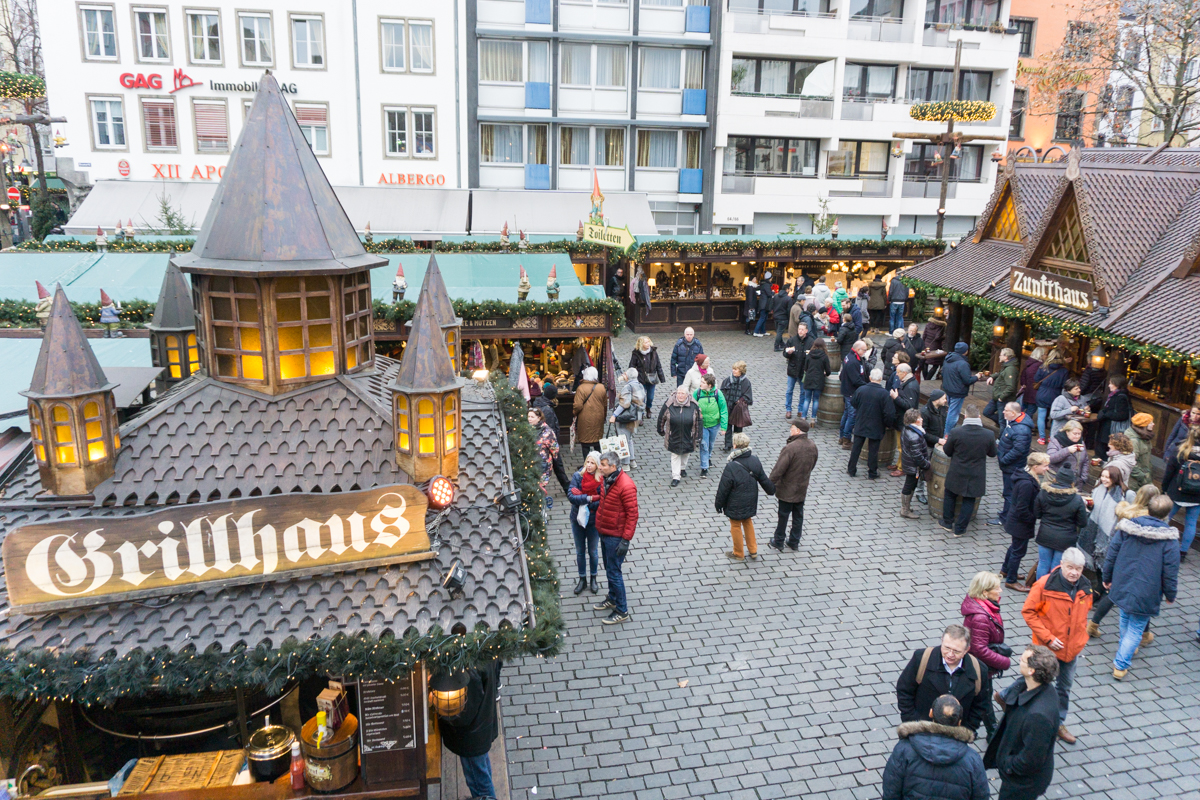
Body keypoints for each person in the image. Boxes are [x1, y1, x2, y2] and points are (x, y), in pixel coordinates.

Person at [1011, 549, 1092, 743]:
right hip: (1047, 649)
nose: (1074, 572)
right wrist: (1047, 637)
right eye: (1070, 567)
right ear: (1062, 564)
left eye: (1078, 569)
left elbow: (1083, 614)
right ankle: (1010, 701)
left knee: (1064, 688)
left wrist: (1080, 638)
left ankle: (1058, 723)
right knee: (1034, 681)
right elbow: (1030, 613)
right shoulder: (1045, 587)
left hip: (1071, 650)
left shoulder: (1085, 587)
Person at [1103, 494, 1179, 678]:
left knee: (1125, 616)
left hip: (1123, 581)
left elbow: (1111, 554)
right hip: (1148, 589)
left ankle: (1125, 648)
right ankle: (1120, 664)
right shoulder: (1169, 541)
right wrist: (1170, 594)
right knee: (1136, 627)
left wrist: (1107, 576)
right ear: (1166, 514)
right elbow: (1170, 572)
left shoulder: (1126, 529)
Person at [983, 646, 1061, 800]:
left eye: (1023, 660)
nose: (1019, 660)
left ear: (1032, 671)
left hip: (1022, 784)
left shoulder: (1038, 716)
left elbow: (1030, 760)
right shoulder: (1034, 686)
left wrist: (1007, 764)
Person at [882, 692, 987, 800]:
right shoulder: (972, 760)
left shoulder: (904, 749)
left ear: (931, 713)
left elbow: (891, 791)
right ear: (959, 722)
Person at [1089, 484, 1159, 636]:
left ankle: (1093, 625)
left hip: (1122, 561)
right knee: (1140, 599)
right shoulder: (1156, 521)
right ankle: (1141, 635)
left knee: (1113, 594)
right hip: (1143, 565)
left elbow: (1114, 542)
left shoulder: (1125, 513)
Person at [896, 625, 988, 732]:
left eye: (956, 651)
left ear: (966, 650)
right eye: (946, 648)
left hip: (956, 735)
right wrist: (912, 721)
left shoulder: (979, 670)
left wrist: (968, 730)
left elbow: (981, 705)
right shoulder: (921, 658)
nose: (950, 654)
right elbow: (904, 690)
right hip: (922, 731)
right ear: (942, 641)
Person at [438, 659, 503, 800]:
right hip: (480, 728)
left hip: (471, 736)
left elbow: (462, 714)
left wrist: (439, 706)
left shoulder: (468, 671)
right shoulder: (481, 652)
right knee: (482, 770)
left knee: (479, 781)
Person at [1079, 467, 1133, 635]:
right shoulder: (1098, 488)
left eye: (1107, 477)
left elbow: (1130, 513)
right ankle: (1100, 592)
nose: (1103, 480)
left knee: (1105, 565)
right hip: (1094, 532)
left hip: (1111, 536)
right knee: (1098, 566)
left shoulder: (1126, 494)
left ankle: (1101, 594)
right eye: (1102, 476)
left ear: (1116, 478)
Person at [961, 571, 1011, 740]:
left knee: (982, 696)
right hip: (980, 666)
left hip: (980, 665)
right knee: (983, 697)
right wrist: (1003, 661)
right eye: (997, 588)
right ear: (984, 593)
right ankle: (992, 732)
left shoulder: (985, 607)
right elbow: (979, 649)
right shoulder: (981, 617)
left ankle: (990, 730)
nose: (1000, 591)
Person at [593, 451, 639, 625]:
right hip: (605, 531)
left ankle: (622, 609)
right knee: (609, 568)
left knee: (614, 572)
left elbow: (632, 515)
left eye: (603, 465)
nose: (600, 467)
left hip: (615, 536)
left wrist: (625, 540)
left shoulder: (626, 485)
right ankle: (612, 598)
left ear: (613, 466)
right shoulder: (607, 479)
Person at [714, 432, 776, 560]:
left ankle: (738, 553)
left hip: (735, 501)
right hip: (751, 498)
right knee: (748, 521)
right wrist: (772, 490)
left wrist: (718, 504)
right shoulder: (755, 460)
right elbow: (764, 479)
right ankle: (753, 550)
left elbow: (723, 489)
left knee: (735, 525)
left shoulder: (731, 466)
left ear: (735, 445)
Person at [940, 404, 996, 537]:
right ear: (979, 417)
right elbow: (993, 454)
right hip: (976, 472)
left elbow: (947, 451)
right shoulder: (988, 434)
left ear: (965, 416)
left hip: (957, 470)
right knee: (969, 499)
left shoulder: (956, 432)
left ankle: (947, 522)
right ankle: (960, 529)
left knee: (950, 495)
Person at [1001, 453, 1052, 591]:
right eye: (1045, 466)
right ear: (1035, 467)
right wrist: (1032, 518)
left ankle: (1006, 570)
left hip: (1017, 521)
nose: (1047, 469)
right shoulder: (1027, 484)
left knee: (1014, 547)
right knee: (1018, 551)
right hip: (1021, 523)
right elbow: (1022, 508)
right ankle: (1011, 580)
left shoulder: (1026, 477)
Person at [769, 417, 818, 550]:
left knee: (783, 515)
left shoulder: (790, 448)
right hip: (802, 487)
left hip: (787, 488)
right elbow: (813, 464)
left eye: (792, 427)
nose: (790, 429)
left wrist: (769, 484)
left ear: (797, 430)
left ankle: (778, 540)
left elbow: (779, 469)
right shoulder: (812, 446)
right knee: (798, 515)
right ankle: (794, 541)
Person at [1033, 465, 1090, 579]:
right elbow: (1082, 523)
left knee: (1043, 563)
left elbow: (1037, 514)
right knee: (1057, 566)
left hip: (1045, 534)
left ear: (1056, 479)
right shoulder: (1076, 499)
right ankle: (1052, 592)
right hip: (1065, 538)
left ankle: (1040, 590)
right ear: (1071, 482)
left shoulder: (1043, 493)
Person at [848, 368, 895, 480]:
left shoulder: (861, 389)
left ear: (870, 378)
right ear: (880, 379)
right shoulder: (884, 394)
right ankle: (872, 472)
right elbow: (889, 412)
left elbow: (853, 402)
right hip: (876, 424)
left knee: (856, 447)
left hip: (861, 422)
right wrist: (888, 424)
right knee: (873, 450)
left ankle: (851, 469)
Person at [993, 402, 1035, 526]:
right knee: (1009, 492)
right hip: (1011, 465)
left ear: (1013, 413)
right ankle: (1006, 513)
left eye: (1005, 410)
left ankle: (1006, 518)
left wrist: (1004, 459)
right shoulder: (1015, 423)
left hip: (1012, 467)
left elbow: (1018, 450)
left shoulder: (1021, 429)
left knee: (1010, 493)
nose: (1003, 412)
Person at [567, 452, 603, 595]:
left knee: (593, 552)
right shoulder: (578, 476)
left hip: (593, 521)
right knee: (580, 551)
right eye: (587, 462)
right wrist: (589, 498)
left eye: (592, 463)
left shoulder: (601, 480)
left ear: (597, 465)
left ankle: (593, 578)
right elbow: (571, 496)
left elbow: (602, 501)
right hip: (577, 519)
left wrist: (581, 498)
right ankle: (582, 579)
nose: (589, 465)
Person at [1163, 425, 1200, 560]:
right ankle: (1183, 553)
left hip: (1177, 492)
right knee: (1191, 523)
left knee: (1166, 517)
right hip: (1197, 495)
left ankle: (1159, 542)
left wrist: (1165, 488)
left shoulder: (1180, 450)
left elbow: (1169, 472)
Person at [658, 386, 702, 487]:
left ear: (687, 395)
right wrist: (660, 430)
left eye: (683, 394)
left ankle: (682, 468)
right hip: (673, 435)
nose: (680, 395)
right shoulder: (669, 403)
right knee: (675, 454)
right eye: (679, 393)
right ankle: (676, 476)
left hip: (689, 434)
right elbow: (661, 417)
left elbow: (699, 421)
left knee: (686, 453)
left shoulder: (694, 405)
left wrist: (699, 435)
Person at [532, 385, 570, 494]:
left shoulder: (540, 403)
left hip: (544, 443)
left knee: (557, 466)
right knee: (557, 465)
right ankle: (567, 488)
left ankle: (567, 486)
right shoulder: (547, 410)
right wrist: (553, 442)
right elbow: (550, 428)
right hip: (548, 443)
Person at [888, 363, 920, 477]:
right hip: (900, 419)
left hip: (905, 420)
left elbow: (909, 405)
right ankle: (898, 464)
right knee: (900, 444)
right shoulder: (907, 381)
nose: (896, 374)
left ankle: (902, 468)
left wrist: (896, 398)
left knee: (903, 446)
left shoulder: (911, 386)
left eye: (898, 372)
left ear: (904, 373)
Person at [610, 367, 645, 469]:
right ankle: (632, 461)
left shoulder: (628, 387)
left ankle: (625, 464)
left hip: (626, 417)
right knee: (629, 439)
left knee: (623, 439)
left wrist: (614, 415)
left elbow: (624, 404)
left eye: (625, 373)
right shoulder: (640, 386)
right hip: (636, 417)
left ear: (627, 375)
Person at [941, 342, 980, 432]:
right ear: (966, 351)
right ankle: (947, 435)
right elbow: (967, 380)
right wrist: (977, 377)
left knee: (950, 411)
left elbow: (943, 373)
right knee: (953, 415)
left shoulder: (947, 359)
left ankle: (947, 432)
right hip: (957, 392)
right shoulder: (963, 364)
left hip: (948, 389)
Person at [899, 409, 930, 520]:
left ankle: (906, 506)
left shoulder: (908, 430)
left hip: (910, 464)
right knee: (909, 485)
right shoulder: (914, 436)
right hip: (913, 466)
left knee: (911, 484)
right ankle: (905, 510)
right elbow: (917, 455)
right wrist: (926, 464)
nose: (922, 419)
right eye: (919, 418)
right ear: (915, 421)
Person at [839, 340, 869, 449]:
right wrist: (867, 386)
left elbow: (842, 375)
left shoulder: (850, 356)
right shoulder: (853, 361)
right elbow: (856, 380)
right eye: (864, 350)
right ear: (858, 349)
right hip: (851, 392)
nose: (865, 352)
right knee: (852, 416)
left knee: (847, 414)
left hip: (847, 390)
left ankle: (842, 436)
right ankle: (846, 440)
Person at [1032, 354, 1069, 445]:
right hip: (1056, 395)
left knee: (1041, 416)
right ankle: (1051, 437)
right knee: (1054, 417)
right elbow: (1064, 384)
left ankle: (1042, 438)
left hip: (1042, 393)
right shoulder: (1064, 371)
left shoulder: (1043, 367)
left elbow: (1036, 379)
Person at [572, 366, 607, 458]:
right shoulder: (601, 387)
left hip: (585, 419)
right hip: (598, 417)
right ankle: (599, 461)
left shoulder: (581, 388)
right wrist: (604, 417)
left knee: (585, 442)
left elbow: (578, 405)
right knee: (597, 440)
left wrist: (574, 412)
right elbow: (605, 405)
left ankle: (587, 464)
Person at [1095, 375, 1132, 460]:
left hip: (1111, 428)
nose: (1109, 385)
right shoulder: (1114, 395)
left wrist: (1105, 414)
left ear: (1117, 385)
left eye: (1111, 383)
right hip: (1107, 427)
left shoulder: (1120, 397)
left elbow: (1122, 415)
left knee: (1106, 450)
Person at [528, 408, 560, 507]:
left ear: (539, 418)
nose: (529, 419)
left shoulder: (547, 432)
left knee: (539, 488)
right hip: (529, 463)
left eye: (532, 417)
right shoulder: (527, 429)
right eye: (528, 416)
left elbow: (555, 449)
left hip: (542, 464)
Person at [1046, 420, 1088, 493]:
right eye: (1075, 434)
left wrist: (1083, 478)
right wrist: (1067, 450)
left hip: (1075, 481)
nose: (1077, 436)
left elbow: (1085, 461)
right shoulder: (1056, 441)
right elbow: (1050, 458)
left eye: (1079, 434)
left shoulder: (1081, 442)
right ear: (1067, 432)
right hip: (1057, 480)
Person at [720, 361, 753, 451]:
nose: (733, 371)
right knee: (727, 425)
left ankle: (738, 443)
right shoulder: (727, 380)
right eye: (733, 369)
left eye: (736, 369)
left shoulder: (746, 382)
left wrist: (740, 400)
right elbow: (722, 392)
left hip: (739, 408)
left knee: (738, 427)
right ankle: (728, 444)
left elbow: (748, 396)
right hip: (728, 406)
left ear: (741, 371)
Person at [985, 348, 1020, 431]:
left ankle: (1001, 439)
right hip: (998, 397)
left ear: (1006, 357)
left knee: (1002, 422)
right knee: (987, 412)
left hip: (1003, 399)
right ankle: (1008, 424)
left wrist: (1001, 397)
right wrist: (992, 377)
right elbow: (1001, 374)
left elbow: (1011, 387)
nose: (999, 356)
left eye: (1001, 355)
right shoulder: (1006, 366)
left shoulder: (1010, 369)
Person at [629, 336, 666, 414]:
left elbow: (658, 365)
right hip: (641, 379)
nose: (648, 343)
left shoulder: (653, 352)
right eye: (646, 342)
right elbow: (631, 366)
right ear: (641, 344)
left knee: (650, 397)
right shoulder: (636, 353)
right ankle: (641, 414)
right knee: (641, 398)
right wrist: (631, 378)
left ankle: (648, 408)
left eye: (648, 341)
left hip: (652, 379)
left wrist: (662, 378)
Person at [1126, 413, 1154, 492]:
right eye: (1151, 423)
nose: (1153, 424)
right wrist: (1143, 477)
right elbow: (1131, 463)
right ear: (1144, 425)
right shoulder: (1134, 441)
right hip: (1135, 482)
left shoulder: (1144, 437)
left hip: (1143, 479)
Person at [1017, 346, 1045, 418]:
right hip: (1035, 393)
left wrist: (1024, 384)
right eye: (1046, 354)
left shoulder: (1029, 364)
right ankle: (1024, 426)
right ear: (1041, 355)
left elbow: (1023, 375)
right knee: (1029, 413)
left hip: (1027, 391)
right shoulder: (1040, 366)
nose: (1047, 356)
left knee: (1022, 410)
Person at [772, 285, 792, 351]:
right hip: (783, 317)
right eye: (789, 289)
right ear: (787, 289)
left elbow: (772, 305)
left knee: (778, 331)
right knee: (779, 332)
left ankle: (782, 344)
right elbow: (789, 310)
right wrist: (789, 318)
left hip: (776, 316)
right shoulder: (788, 299)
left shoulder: (775, 296)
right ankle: (776, 346)